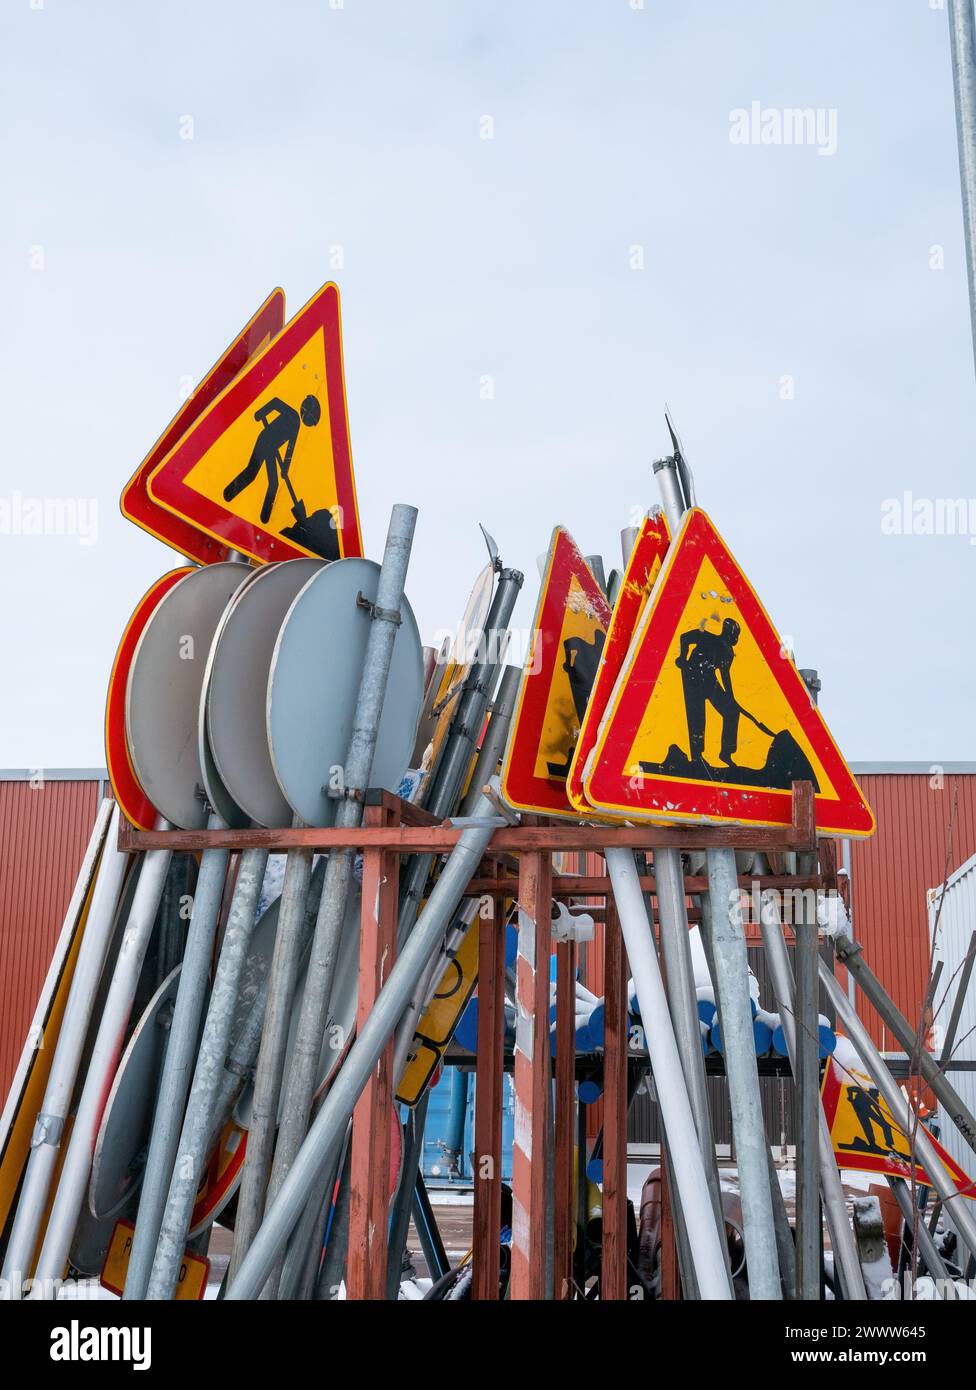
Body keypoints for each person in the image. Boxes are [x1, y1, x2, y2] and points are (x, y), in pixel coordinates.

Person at [223, 394, 321, 525]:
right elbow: (275, 403)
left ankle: (264, 518)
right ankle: (227, 494)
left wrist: (285, 468)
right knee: (251, 473)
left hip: (272, 449)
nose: (310, 423)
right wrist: (260, 413)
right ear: (307, 413)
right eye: (312, 420)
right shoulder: (292, 415)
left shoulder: (296, 425)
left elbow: (290, 448)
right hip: (264, 441)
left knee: (273, 483)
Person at [674, 617, 741, 766]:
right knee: (697, 718)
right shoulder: (707, 637)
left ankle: (726, 753)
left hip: (709, 681)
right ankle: (697, 757)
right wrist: (683, 658)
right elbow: (684, 637)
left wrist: (731, 699)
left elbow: (725, 675)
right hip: (693, 678)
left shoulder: (728, 652)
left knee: (732, 712)